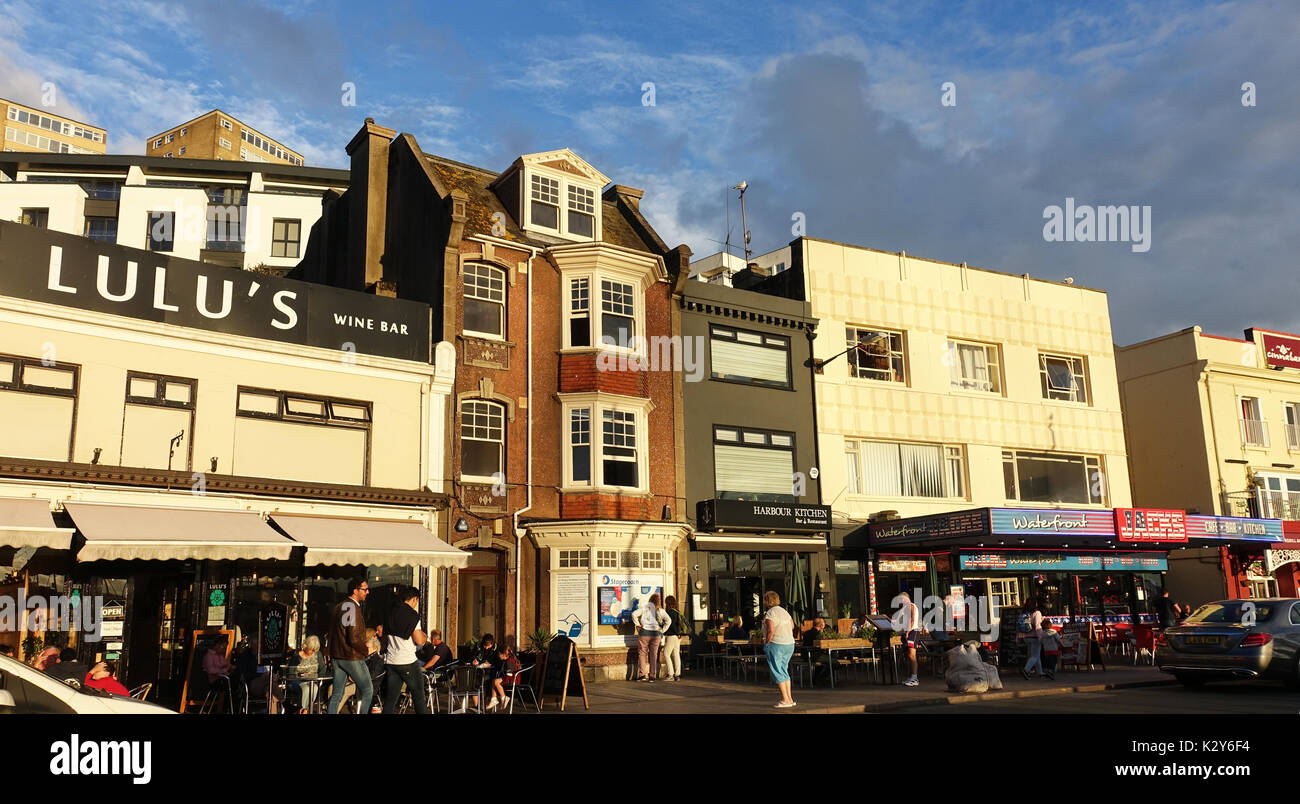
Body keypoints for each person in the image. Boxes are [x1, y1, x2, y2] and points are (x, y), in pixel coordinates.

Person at [327, 578, 372, 715]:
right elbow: (353, 638)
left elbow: (331, 633)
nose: (367, 592)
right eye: (364, 589)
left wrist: (329, 652)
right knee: (367, 690)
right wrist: (365, 651)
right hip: (351, 657)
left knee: (336, 694)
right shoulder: (352, 607)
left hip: (337, 656)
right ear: (355, 591)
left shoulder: (338, 606)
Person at [381, 586, 429, 714]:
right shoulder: (412, 615)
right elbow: (419, 640)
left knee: (390, 699)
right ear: (414, 599)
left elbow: (384, 637)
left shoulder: (390, 612)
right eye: (416, 602)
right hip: (407, 661)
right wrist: (425, 636)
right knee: (419, 696)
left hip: (391, 661)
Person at [762, 590, 797, 708]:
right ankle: (790, 698)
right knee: (783, 670)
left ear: (767, 601)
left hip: (776, 643)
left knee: (777, 671)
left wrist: (767, 644)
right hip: (789, 643)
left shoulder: (770, 613)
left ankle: (784, 699)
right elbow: (792, 626)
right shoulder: (785, 612)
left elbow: (770, 631)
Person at [635, 593, 670, 682]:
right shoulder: (661, 610)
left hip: (644, 633)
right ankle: (652, 676)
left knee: (642, 654)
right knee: (653, 655)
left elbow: (633, 614)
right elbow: (669, 621)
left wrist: (638, 625)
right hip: (656, 634)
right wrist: (662, 630)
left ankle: (642, 675)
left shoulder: (645, 609)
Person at [286, 635, 324, 713]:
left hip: (312, 681)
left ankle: (303, 710)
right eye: (311, 649)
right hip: (297, 681)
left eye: (314, 650)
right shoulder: (296, 656)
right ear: (306, 646)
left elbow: (322, 670)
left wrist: (315, 676)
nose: (313, 652)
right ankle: (303, 710)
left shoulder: (318, 655)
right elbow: (290, 673)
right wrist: (302, 675)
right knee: (306, 689)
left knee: (314, 688)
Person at [893, 592, 920, 687]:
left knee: (912, 655)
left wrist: (908, 631)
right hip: (908, 632)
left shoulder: (910, 605)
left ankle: (914, 678)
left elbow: (911, 619)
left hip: (913, 631)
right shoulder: (905, 608)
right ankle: (911, 676)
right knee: (908, 655)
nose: (899, 600)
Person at [485, 642, 521, 711]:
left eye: (499, 654)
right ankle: (494, 699)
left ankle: (504, 698)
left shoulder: (509, 661)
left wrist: (502, 682)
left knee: (496, 681)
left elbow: (509, 674)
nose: (498, 656)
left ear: (503, 654)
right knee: (494, 680)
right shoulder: (507, 660)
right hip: (510, 678)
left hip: (512, 680)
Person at [661, 595, 685, 682]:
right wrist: (679, 633)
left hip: (671, 635)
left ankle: (670, 674)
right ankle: (677, 674)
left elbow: (670, 625)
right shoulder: (677, 611)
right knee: (676, 654)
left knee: (666, 654)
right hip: (678, 636)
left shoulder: (668, 612)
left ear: (667, 603)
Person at [1020, 599, 1044, 680]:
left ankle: (1040, 672)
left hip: (1026, 637)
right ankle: (1026, 670)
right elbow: (1037, 626)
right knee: (1035, 655)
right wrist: (1041, 637)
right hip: (1035, 637)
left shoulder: (1024, 613)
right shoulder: (1037, 613)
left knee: (1036, 655)